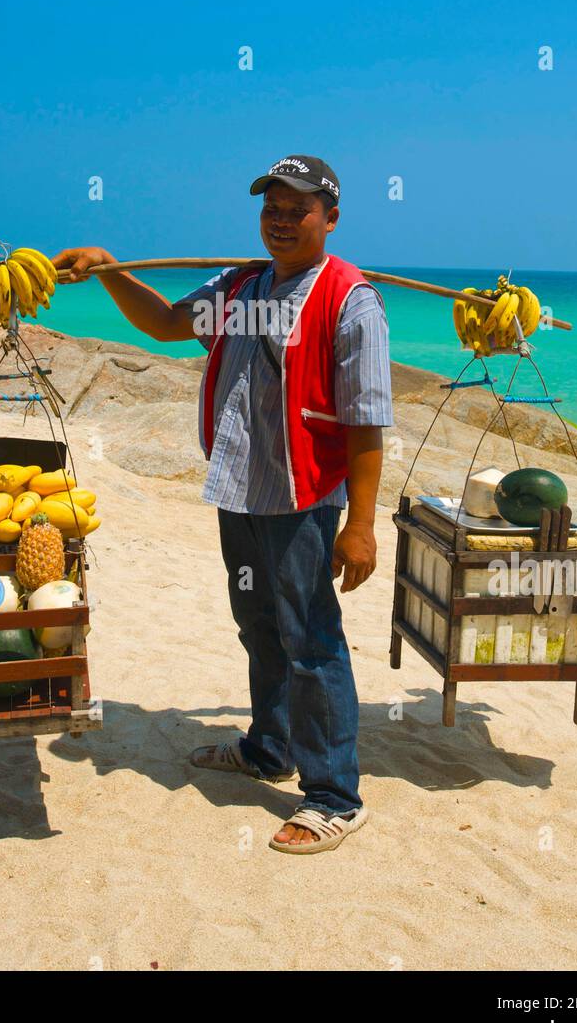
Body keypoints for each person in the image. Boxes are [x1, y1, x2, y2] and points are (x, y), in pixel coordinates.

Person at [53, 154, 393, 854]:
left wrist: (359, 525)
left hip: (301, 497)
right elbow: (165, 326)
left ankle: (333, 795)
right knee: (258, 625)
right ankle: (270, 748)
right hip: (239, 488)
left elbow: (366, 419)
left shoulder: (348, 299)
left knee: (310, 641)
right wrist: (113, 269)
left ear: (329, 218)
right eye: (271, 206)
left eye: (297, 208)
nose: (281, 218)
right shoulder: (238, 287)